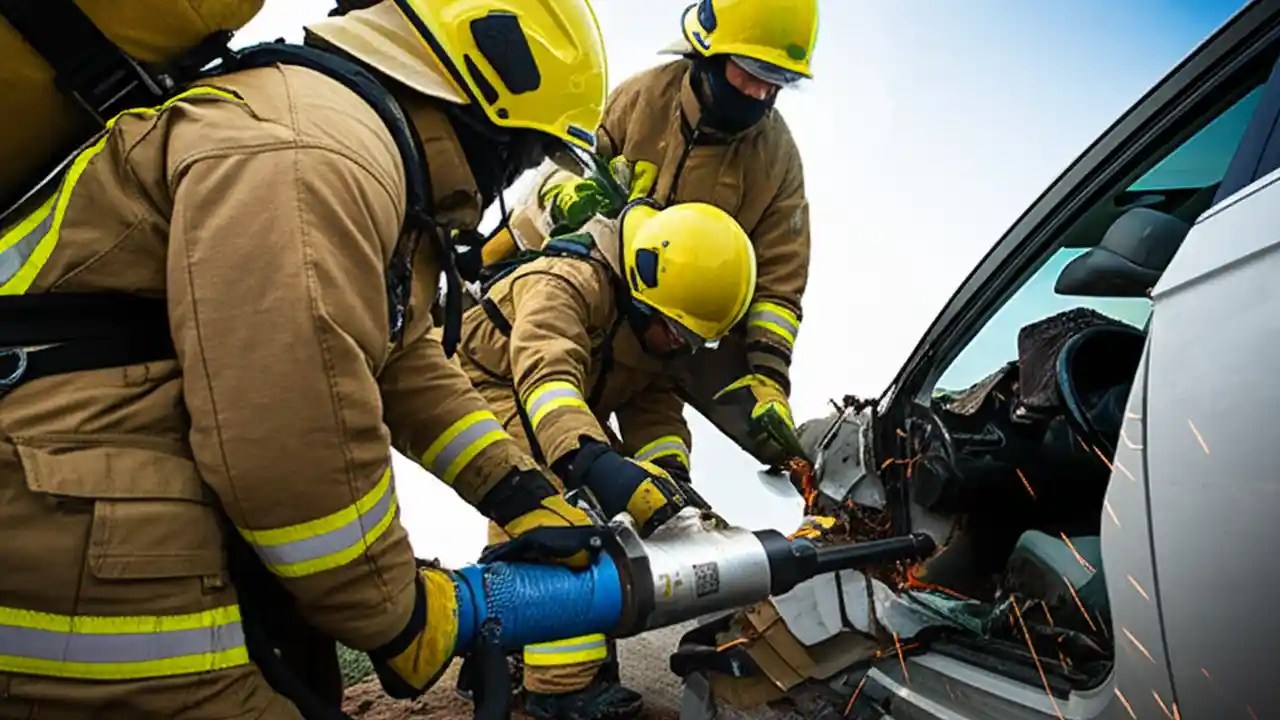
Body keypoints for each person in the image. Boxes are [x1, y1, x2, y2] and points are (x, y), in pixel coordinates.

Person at [0, 1, 610, 717]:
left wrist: (517, 492)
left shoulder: (349, 139)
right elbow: (287, 432)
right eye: (528, 152)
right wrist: (399, 616)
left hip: (98, 480)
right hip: (66, 511)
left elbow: (403, 357)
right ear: (486, 96)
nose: (509, 182)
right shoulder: (316, 153)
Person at [453, 194, 758, 719]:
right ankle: (558, 688)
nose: (680, 347)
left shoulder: (655, 331)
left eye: (695, 342)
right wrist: (590, 463)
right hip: (487, 383)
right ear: (645, 293)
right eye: (680, 333)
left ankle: (497, 651)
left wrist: (669, 480)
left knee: (596, 502)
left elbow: (654, 409)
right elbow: (546, 378)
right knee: (557, 508)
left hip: (556, 402)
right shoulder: (565, 283)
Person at [483, 0, 820, 473]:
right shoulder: (642, 98)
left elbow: (779, 285)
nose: (762, 93)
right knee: (553, 424)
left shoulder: (777, 160)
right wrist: (562, 202)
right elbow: (564, 162)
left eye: (779, 81)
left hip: (676, 328)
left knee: (722, 429)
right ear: (709, 51)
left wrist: (767, 377)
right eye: (753, 71)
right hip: (595, 289)